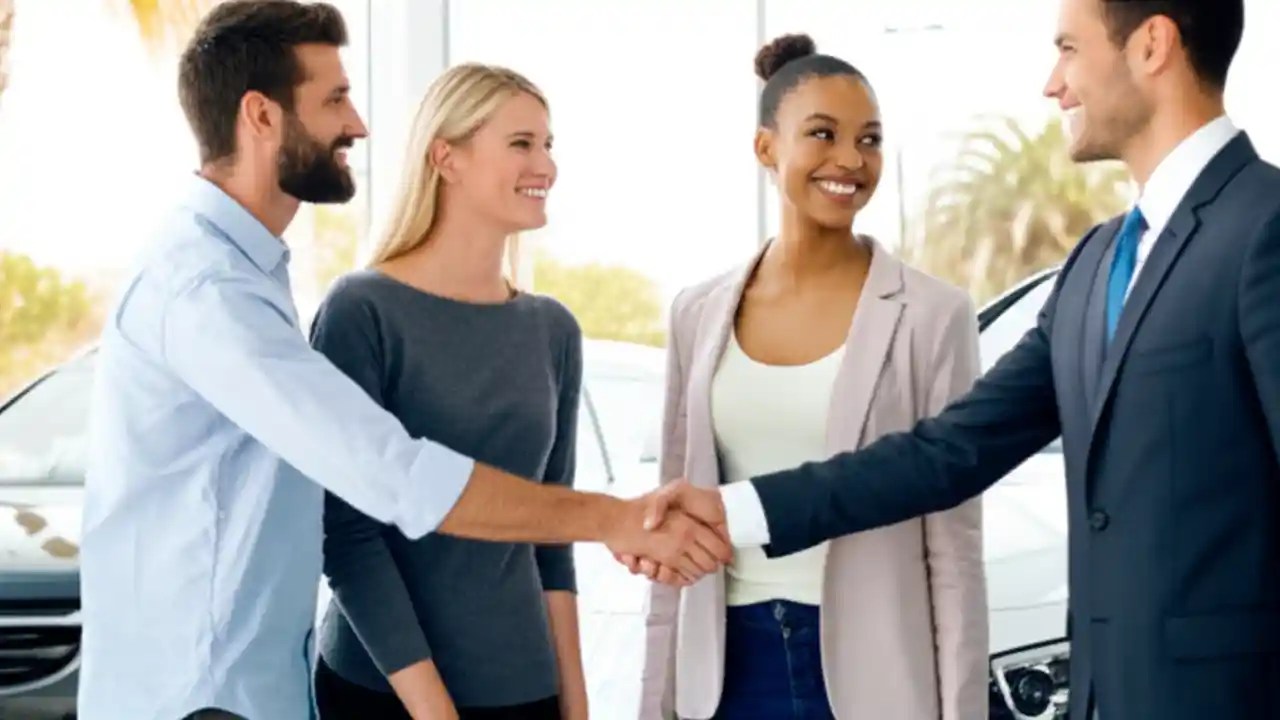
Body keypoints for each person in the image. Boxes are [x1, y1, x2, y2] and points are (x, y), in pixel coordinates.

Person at [78, 3, 729, 719]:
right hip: (201, 699)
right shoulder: (209, 291)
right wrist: (615, 518)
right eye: (333, 99)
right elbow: (387, 477)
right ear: (261, 116)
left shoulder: (251, 274)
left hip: (256, 690)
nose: (357, 123)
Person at [634, 0, 1280, 718]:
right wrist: (736, 510)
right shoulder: (1095, 263)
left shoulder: (1266, 227)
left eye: (1068, 48)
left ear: (1152, 45)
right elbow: (948, 451)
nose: (1052, 84)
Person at [635, 34, 989, 720]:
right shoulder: (697, 313)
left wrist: (962, 708)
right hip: (727, 671)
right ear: (767, 148)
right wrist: (657, 703)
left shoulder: (934, 316)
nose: (850, 161)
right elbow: (671, 525)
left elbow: (954, 546)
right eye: (822, 134)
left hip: (875, 676)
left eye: (871, 140)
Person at [309, 63, 585, 720]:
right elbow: (346, 537)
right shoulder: (361, 311)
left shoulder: (553, 330)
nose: (545, 163)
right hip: (384, 694)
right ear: (446, 156)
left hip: (525, 689)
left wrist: (575, 705)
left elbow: (554, 535)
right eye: (521, 143)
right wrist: (435, 711)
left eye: (549, 145)